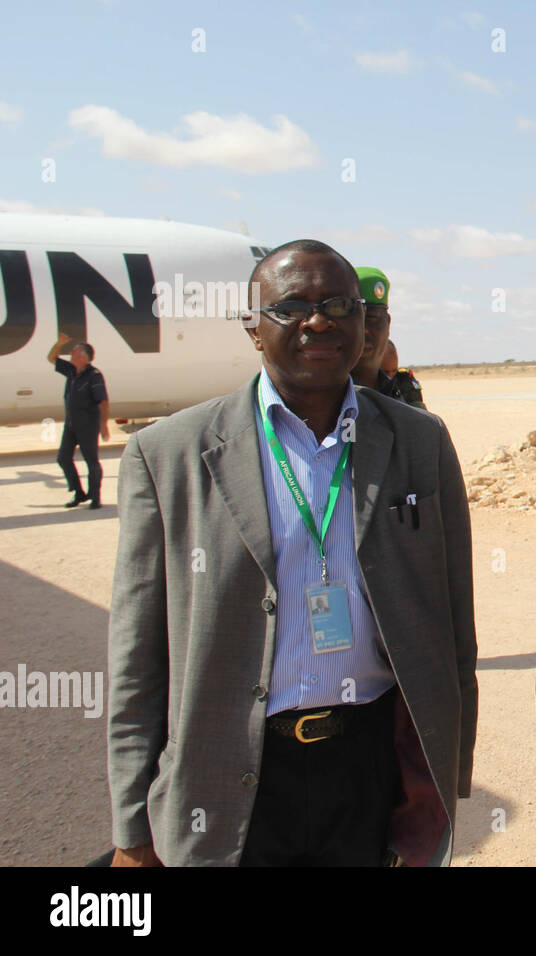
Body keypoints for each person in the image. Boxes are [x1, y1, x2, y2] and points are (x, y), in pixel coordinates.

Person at [107, 239, 477, 866]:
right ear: (253, 326)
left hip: (371, 768)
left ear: (366, 323)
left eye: (339, 304)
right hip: (233, 773)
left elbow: (453, 622)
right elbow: (137, 659)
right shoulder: (167, 454)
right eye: (290, 307)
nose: (319, 320)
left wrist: (445, 770)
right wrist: (131, 827)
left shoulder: (419, 440)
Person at [46, 333, 110, 509]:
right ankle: (79, 492)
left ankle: (95, 497)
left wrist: (104, 425)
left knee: (91, 461)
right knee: (63, 458)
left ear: (82, 357)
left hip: (88, 425)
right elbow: (51, 358)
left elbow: (103, 401)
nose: (71, 355)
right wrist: (59, 343)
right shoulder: (72, 371)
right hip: (71, 424)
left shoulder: (94, 375)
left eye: (74, 353)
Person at [351, 267, 427, 409]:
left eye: (373, 319)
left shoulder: (399, 392)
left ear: (388, 323)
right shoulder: (314, 397)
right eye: (355, 320)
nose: (364, 330)